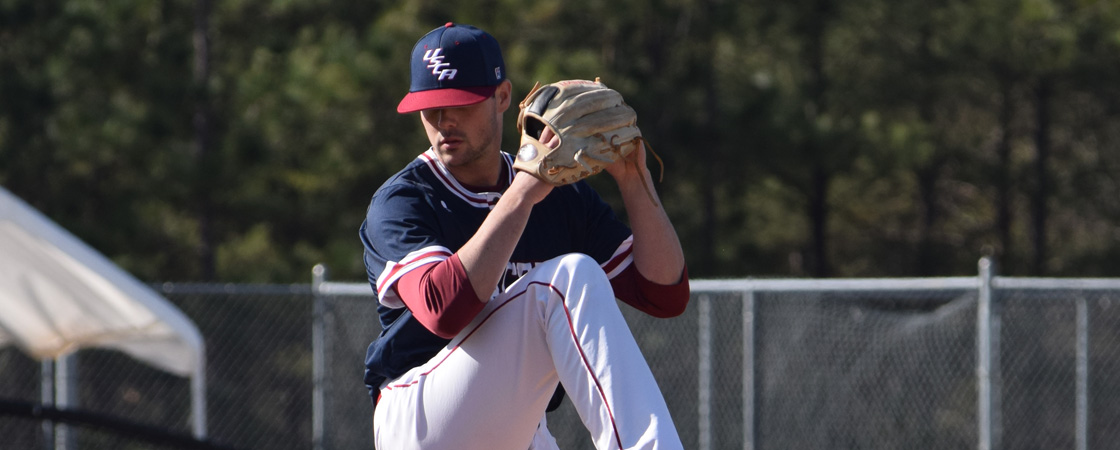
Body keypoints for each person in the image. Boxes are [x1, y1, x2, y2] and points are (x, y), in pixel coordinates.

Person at [361, 22, 690, 450]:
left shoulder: (561, 196)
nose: (444, 121)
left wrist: (635, 181)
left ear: (501, 97)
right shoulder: (403, 200)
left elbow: (664, 294)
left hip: (516, 425)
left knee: (569, 283)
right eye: (431, 107)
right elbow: (443, 309)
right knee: (565, 279)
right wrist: (523, 190)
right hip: (419, 413)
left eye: (459, 104)